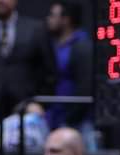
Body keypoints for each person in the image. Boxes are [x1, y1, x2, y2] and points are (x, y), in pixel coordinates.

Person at [44, 0, 92, 137]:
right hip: (54, 119)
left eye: (53, 16)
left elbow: (85, 87)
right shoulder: (51, 44)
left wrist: (70, 120)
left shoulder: (82, 46)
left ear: (66, 20)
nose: (48, 19)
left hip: (77, 123)